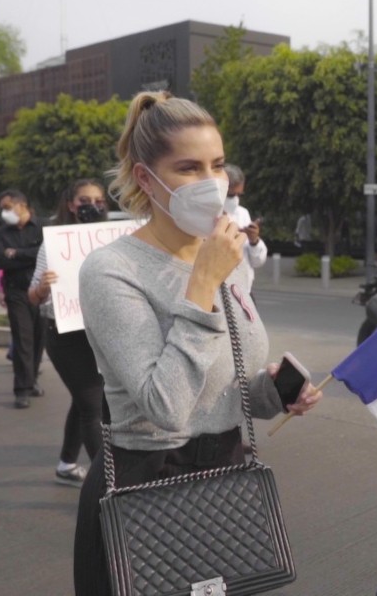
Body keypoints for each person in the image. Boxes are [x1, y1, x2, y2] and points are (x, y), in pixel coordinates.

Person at [73, 91, 322, 595]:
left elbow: (221, 384)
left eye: (218, 165)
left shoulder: (222, 257)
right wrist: (202, 288)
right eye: (188, 168)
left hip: (224, 477)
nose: (211, 183)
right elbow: (166, 406)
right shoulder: (112, 270)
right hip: (147, 481)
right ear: (147, 178)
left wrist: (273, 394)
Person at [28, 179, 107, 488]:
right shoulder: (55, 243)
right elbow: (32, 296)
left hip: (97, 332)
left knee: (83, 399)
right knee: (92, 405)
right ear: (71, 205)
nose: (92, 206)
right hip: (64, 334)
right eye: (85, 200)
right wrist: (43, 288)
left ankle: (66, 464)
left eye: (99, 200)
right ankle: (109, 484)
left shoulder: (110, 241)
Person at [0, 189, 45, 408]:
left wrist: (17, 253)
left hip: (42, 292)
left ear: (22, 206)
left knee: (39, 339)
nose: (4, 212)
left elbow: (47, 254)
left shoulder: (43, 228)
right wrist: (30, 254)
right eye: (2, 208)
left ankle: (32, 380)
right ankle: (21, 389)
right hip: (16, 292)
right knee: (23, 340)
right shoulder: (2, 232)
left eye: (7, 207)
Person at [223, 163, 268, 290]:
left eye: (240, 195)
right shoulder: (204, 217)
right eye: (231, 195)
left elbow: (257, 261)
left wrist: (254, 241)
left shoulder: (242, 213)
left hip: (244, 292)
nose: (236, 200)